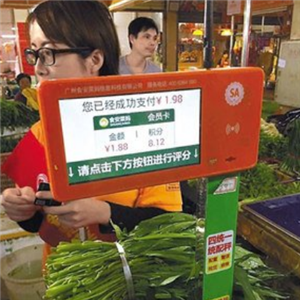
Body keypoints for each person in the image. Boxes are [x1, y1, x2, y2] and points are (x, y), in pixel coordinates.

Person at [1, 1, 182, 264]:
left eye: (49, 52)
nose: (38, 68)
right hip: (63, 278)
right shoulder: (40, 134)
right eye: (35, 53)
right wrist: (22, 210)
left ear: (95, 59)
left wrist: (105, 213)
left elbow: (170, 223)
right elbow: (37, 222)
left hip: (126, 280)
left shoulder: (145, 131)